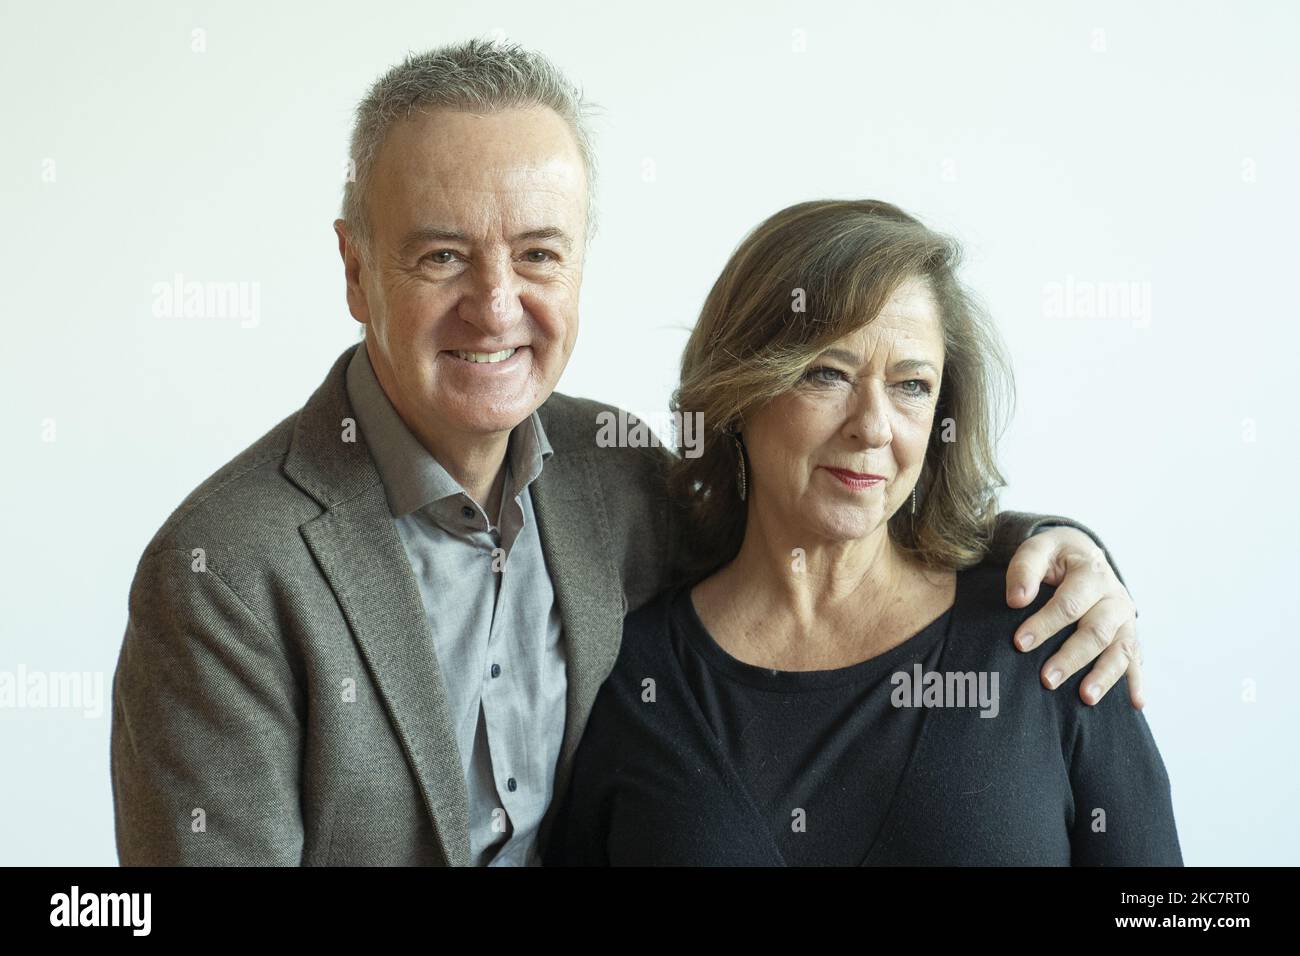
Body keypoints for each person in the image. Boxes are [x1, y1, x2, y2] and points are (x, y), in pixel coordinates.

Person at [111, 41, 1142, 867]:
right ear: (355, 266)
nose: (496, 303)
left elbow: (822, 516)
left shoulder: (617, 475)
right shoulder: (226, 572)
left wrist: (1050, 547)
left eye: (539, 254)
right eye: (440, 256)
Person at [544, 199, 1181, 866]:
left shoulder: (1047, 634)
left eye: (911, 386)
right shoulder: (629, 678)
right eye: (828, 374)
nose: (873, 426)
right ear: (741, 393)